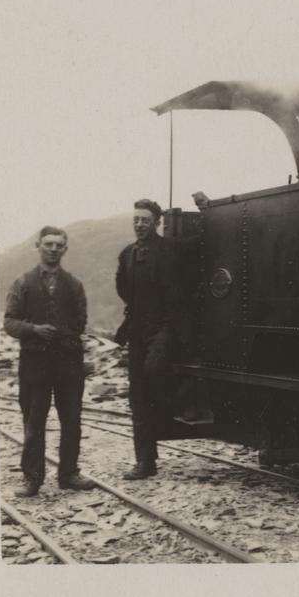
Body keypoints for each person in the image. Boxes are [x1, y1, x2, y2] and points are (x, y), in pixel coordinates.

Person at [3, 226, 96, 497]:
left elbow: (80, 322)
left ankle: (69, 474)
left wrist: (58, 333)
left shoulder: (74, 285)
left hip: (69, 363)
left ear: (65, 249)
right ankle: (32, 479)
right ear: (38, 246)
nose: (53, 249)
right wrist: (34, 330)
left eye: (58, 245)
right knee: (34, 421)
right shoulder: (22, 283)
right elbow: (10, 322)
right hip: (35, 364)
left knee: (71, 420)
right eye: (48, 244)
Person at [115, 198, 187, 479]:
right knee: (138, 395)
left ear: (156, 222)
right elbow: (122, 286)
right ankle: (145, 462)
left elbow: (203, 245)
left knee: (154, 373)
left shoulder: (172, 248)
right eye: (136, 220)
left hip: (165, 326)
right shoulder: (127, 254)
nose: (139, 224)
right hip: (137, 329)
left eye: (145, 220)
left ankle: (173, 410)